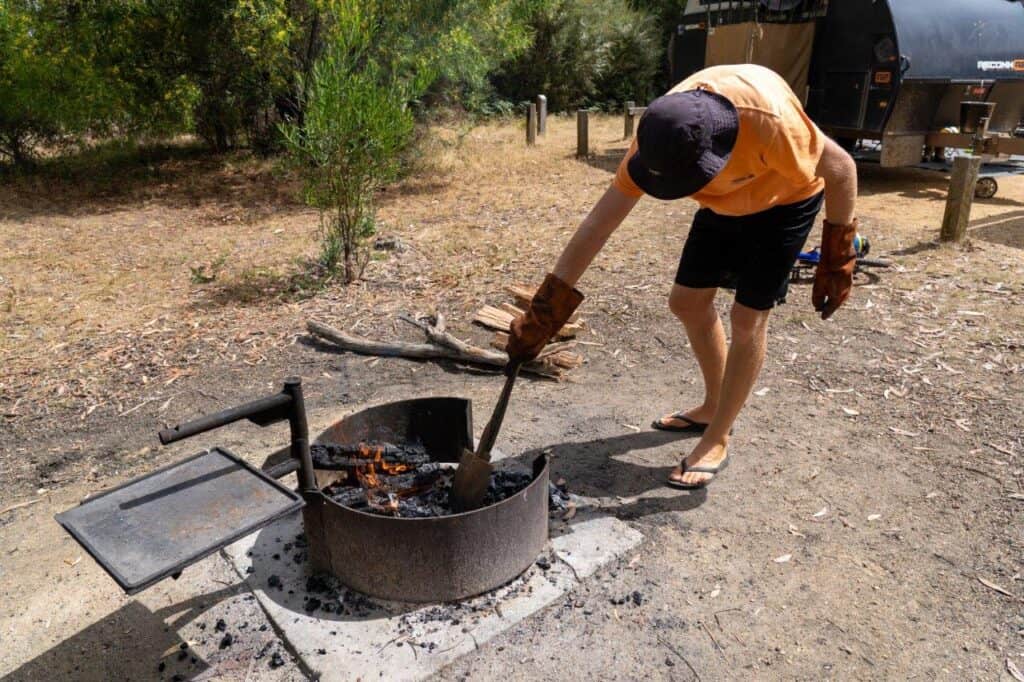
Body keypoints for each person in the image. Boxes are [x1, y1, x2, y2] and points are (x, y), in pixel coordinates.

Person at [506, 63, 859, 490]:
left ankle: (718, 436)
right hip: (722, 203)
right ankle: (714, 404)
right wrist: (544, 312)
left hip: (786, 200)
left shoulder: (770, 122)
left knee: (748, 319)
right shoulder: (658, 137)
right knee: (687, 302)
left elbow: (840, 168)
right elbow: (598, 226)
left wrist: (837, 256)